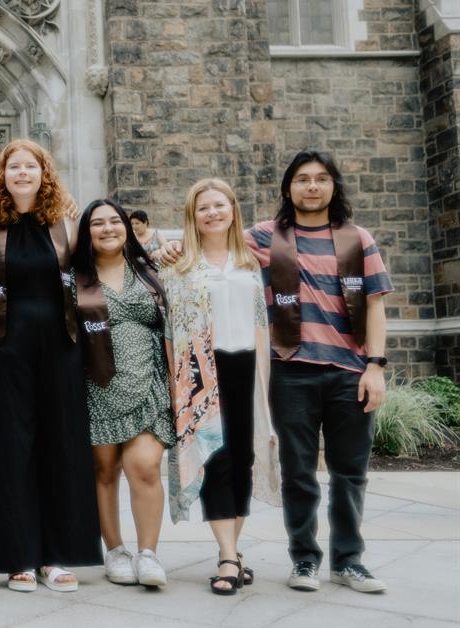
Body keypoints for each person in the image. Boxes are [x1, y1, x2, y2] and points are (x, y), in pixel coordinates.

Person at [158, 154, 392, 594]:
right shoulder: (265, 237)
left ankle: (349, 561)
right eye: (302, 179)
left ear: (334, 186)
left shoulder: (357, 238)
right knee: (297, 472)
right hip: (290, 370)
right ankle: (303, 560)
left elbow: (376, 304)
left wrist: (375, 366)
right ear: (288, 188)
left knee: (350, 473)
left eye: (321, 179)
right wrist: (168, 248)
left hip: (349, 369)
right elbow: (204, 239)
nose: (312, 187)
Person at [0, 139, 99, 593]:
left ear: (45, 174)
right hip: (7, 348)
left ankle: (55, 557)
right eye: (14, 167)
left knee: (61, 445)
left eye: (31, 166)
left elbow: (102, 263)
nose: (22, 173)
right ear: (1, 176)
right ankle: (19, 557)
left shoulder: (66, 223)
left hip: (62, 347)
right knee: (12, 448)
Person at [159, 179, 280, 596]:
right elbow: (169, 331)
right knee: (215, 458)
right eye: (203, 208)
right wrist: (177, 384)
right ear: (192, 217)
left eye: (219, 205)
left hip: (248, 367)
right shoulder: (179, 267)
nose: (212, 213)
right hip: (201, 372)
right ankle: (228, 556)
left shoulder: (251, 262)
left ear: (233, 210)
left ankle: (233, 550)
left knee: (244, 458)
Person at [70, 199, 174, 589]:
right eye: (97, 223)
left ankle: (147, 553)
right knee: (104, 471)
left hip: (148, 381)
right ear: (86, 232)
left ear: (127, 228)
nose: (108, 228)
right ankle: (115, 550)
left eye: (115, 221)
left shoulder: (150, 271)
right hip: (97, 387)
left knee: (145, 466)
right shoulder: (74, 278)